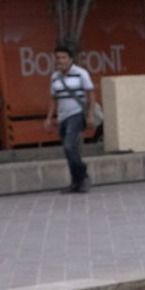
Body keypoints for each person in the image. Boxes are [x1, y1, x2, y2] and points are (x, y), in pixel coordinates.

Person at [44, 45, 97, 193]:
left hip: (77, 114)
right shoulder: (55, 77)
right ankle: (77, 181)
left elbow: (91, 95)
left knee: (69, 146)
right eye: (58, 58)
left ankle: (82, 171)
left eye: (63, 58)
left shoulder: (81, 74)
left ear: (70, 59)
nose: (60, 61)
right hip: (63, 117)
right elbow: (53, 98)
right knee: (69, 150)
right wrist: (49, 118)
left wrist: (90, 116)